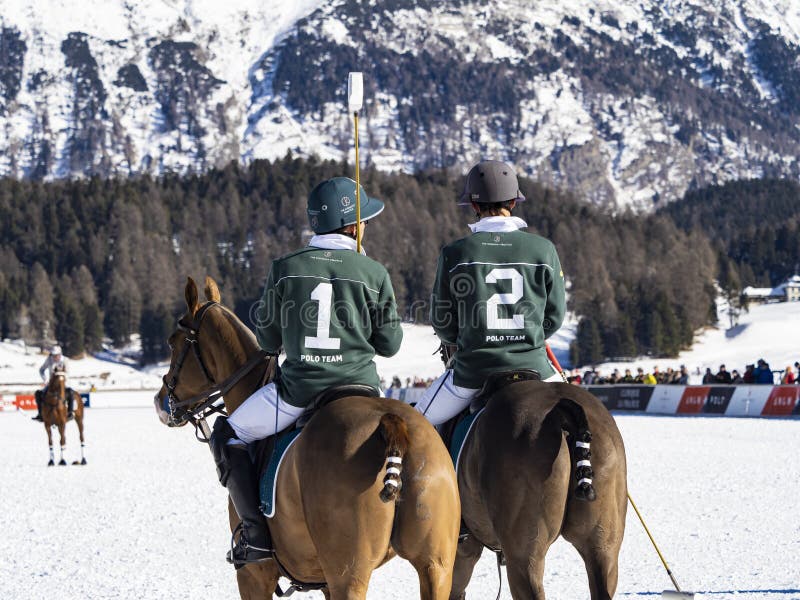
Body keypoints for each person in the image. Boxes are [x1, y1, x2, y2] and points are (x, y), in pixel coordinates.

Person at [208, 177, 403, 566]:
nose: (366, 227)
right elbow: (390, 344)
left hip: (299, 392)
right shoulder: (374, 271)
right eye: (364, 221)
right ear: (351, 226)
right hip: (361, 389)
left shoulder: (285, 268)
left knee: (227, 433)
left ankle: (255, 537)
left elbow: (267, 340)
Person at [414, 160, 566, 425]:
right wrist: (527, 338)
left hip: (473, 373)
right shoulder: (544, 249)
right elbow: (555, 317)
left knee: (415, 427)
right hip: (535, 367)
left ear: (474, 205)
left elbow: (443, 324)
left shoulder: (455, 253)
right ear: (514, 202)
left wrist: (467, 340)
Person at [32, 345, 70, 421]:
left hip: (63, 383)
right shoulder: (49, 359)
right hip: (51, 384)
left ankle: (70, 412)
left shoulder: (65, 360)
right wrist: (45, 380)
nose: (55, 357)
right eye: (53, 355)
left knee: (71, 394)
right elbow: (41, 370)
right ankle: (40, 414)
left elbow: (67, 372)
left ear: (60, 354)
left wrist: (63, 379)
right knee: (38, 394)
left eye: (56, 355)